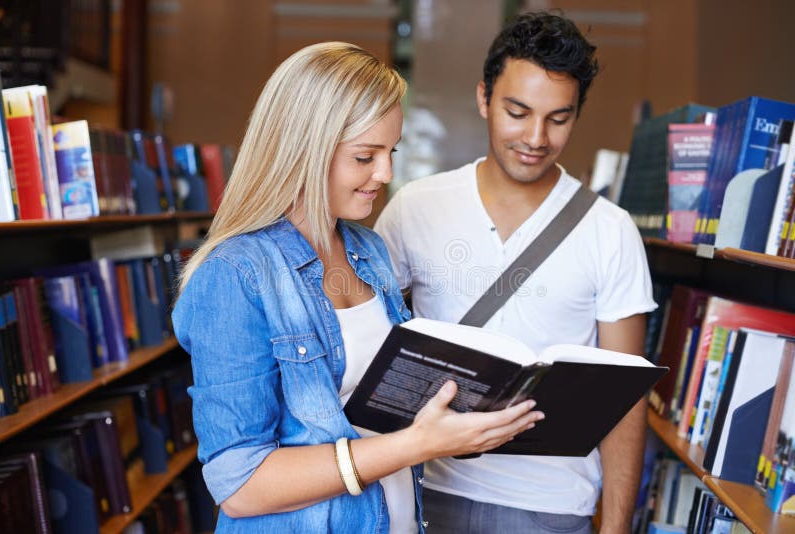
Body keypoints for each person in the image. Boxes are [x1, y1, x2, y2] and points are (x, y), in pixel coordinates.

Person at [172, 42, 545, 533]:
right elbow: (240, 487)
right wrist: (419, 444)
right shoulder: (236, 274)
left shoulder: (367, 250)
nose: (385, 174)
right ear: (304, 149)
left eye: (391, 152)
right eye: (365, 156)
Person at [374, 12, 657, 534]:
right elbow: (369, 349)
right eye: (517, 111)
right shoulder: (414, 208)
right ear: (484, 98)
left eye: (558, 118)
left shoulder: (610, 230)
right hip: (424, 488)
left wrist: (614, 528)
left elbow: (624, 401)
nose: (536, 137)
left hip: (551, 506)